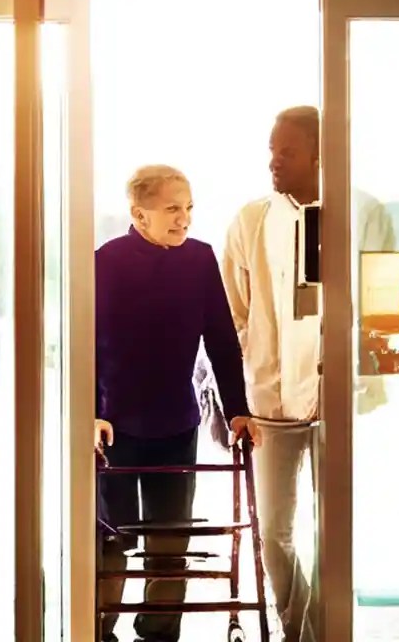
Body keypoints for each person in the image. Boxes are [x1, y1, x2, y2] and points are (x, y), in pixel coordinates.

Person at [219, 105, 393, 641]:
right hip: (269, 403)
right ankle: (299, 627)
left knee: (336, 528)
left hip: (340, 400)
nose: (274, 160)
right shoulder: (251, 219)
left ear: (321, 154)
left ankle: (326, 629)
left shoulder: (363, 211)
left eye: (286, 151)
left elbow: (387, 302)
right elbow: (232, 312)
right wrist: (246, 374)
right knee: (273, 531)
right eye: (272, 149)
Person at [94, 164, 262, 642]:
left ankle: (159, 634)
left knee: (170, 540)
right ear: (138, 214)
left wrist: (237, 410)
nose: (184, 218)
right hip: (114, 425)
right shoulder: (105, 261)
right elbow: (86, 342)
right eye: (172, 208)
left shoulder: (200, 260)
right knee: (112, 539)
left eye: (188, 208)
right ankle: (99, 631)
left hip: (175, 421)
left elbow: (222, 341)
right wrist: (92, 411)